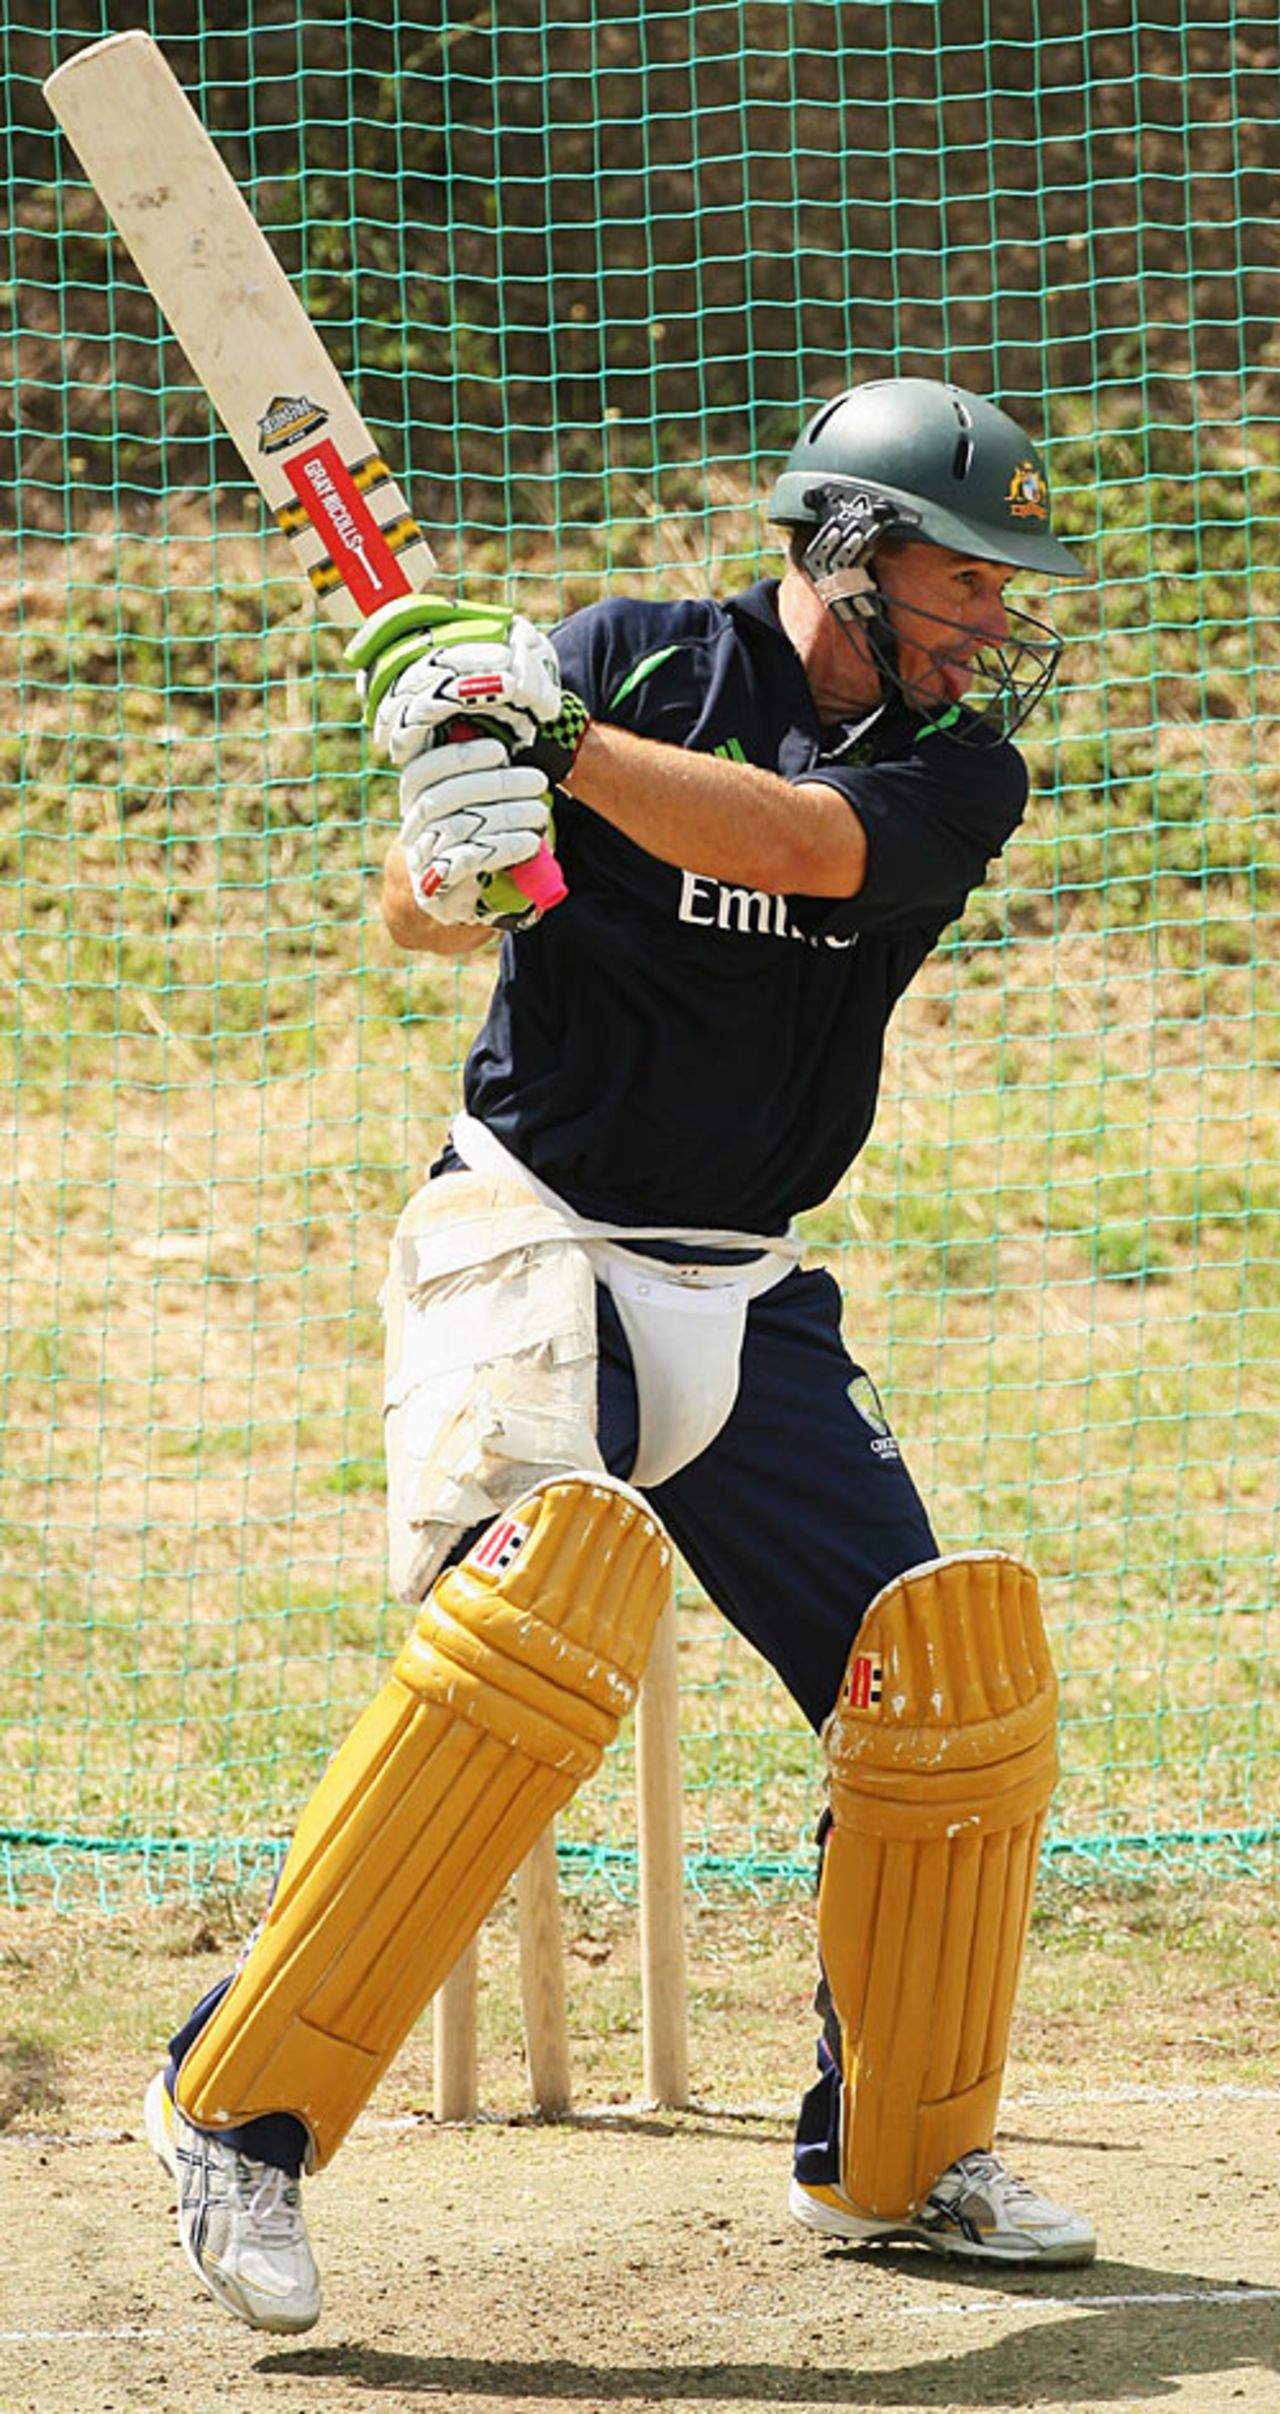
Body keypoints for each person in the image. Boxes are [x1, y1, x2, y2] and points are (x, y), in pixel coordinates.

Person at [144, 376, 1095, 2333]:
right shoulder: (630, 655)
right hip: (525, 1228)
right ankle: (233, 2116)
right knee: (525, 1633)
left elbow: (808, 849)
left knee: (946, 1672)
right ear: (848, 545)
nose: (995, 616)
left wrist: (566, 751)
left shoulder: (948, 775)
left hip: (744, 1275)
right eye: (968, 570)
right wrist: (469, 818)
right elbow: (427, 915)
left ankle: (903, 2158)